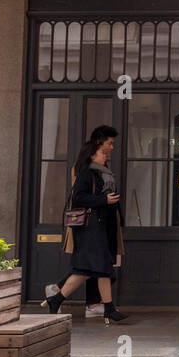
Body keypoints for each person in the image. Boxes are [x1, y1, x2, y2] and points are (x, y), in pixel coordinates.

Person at [43, 137, 127, 324]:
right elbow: (79, 199)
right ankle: (107, 309)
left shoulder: (102, 174)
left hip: (100, 227)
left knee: (90, 269)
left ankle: (57, 298)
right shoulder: (86, 173)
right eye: (102, 153)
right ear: (92, 155)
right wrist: (104, 200)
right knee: (99, 268)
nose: (106, 156)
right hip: (90, 229)